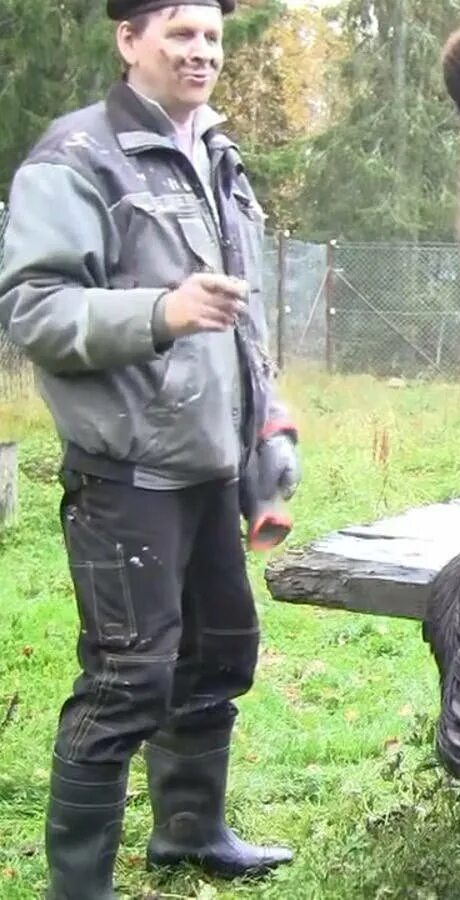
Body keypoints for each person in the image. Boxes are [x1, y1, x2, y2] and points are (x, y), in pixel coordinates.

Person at [0, 1, 301, 896]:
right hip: (126, 469)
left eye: (212, 36)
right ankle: (78, 886)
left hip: (210, 464)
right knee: (128, 676)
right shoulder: (78, 157)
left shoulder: (216, 155)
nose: (202, 51)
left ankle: (188, 832)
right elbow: (30, 308)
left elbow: (242, 324)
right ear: (129, 41)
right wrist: (158, 313)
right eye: (180, 34)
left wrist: (266, 424)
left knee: (219, 657)